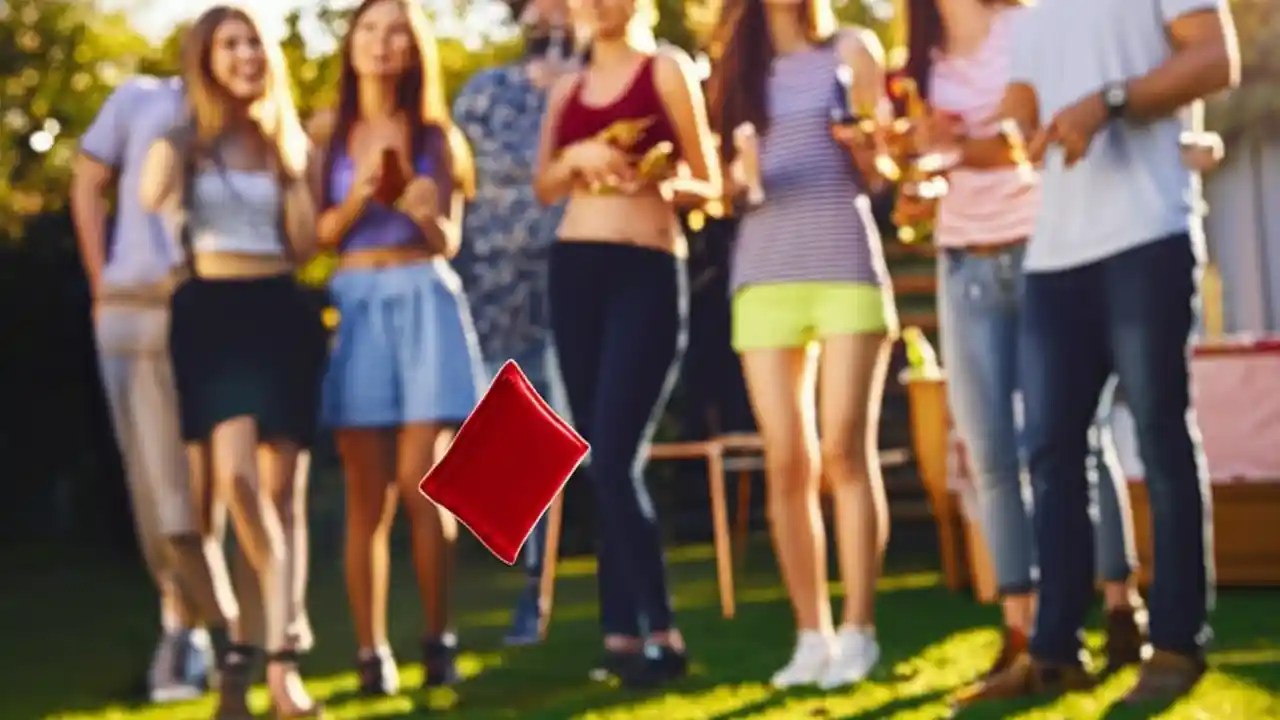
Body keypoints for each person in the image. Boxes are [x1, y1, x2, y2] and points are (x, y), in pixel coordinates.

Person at [955, 0, 1239, 706]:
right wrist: (1007, 129)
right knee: (1051, 451)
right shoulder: (1029, 13)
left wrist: (1109, 102)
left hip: (1148, 233)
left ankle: (1176, 644)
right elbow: (1019, 111)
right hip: (1054, 252)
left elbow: (1215, 58)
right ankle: (1055, 653)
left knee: (1159, 436)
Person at [899, 0, 1146, 681]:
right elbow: (926, 155)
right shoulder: (921, 56)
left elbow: (1018, 140)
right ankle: (1021, 629)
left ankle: (1122, 608)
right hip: (962, 259)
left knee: (1069, 437)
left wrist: (945, 149)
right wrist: (918, 175)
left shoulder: (1026, 29)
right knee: (990, 456)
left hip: (1042, 247)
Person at [138, 5, 326, 717]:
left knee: (283, 500)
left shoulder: (286, 144)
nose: (246, 55)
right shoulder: (181, 141)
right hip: (211, 316)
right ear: (207, 60)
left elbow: (306, 247)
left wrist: (298, 170)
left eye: (253, 42)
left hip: (278, 310)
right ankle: (244, 649)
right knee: (235, 488)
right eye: (230, 45)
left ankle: (278, 670)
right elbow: (148, 221)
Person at [709, 0, 898, 690]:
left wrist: (867, 152)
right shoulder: (732, 72)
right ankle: (810, 634)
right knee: (788, 460)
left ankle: (859, 630)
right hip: (762, 276)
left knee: (845, 450)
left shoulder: (853, 50)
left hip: (844, 263)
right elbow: (721, 193)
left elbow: (882, 177)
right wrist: (738, 180)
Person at [533, 0, 721, 688]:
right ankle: (620, 637)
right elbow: (544, 184)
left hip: (646, 268)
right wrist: (577, 155)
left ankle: (662, 632)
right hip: (576, 272)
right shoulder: (566, 90)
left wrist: (663, 179)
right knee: (600, 460)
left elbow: (713, 183)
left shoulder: (666, 70)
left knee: (614, 456)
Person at [308, 0, 483, 697]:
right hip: (356, 304)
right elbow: (316, 235)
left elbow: (450, 239)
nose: (383, 44)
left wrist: (420, 209)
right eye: (372, 31)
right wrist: (359, 203)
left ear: (415, 51)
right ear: (352, 44)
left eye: (398, 34)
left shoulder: (438, 135)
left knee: (422, 484)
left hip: (423, 296)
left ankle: (438, 638)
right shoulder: (326, 133)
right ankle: (369, 651)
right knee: (365, 496)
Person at [71, 70, 227, 708]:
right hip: (129, 312)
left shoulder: (250, 110)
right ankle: (185, 626)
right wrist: (100, 280)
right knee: (151, 490)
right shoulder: (139, 98)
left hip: (204, 311)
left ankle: (216, 635)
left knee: (198, 489)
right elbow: (86, 184)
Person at [451, 0, 578, 647]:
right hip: (490, 293)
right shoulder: (482, 95)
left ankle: (542, 592)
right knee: (501, 447)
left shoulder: (597, 86)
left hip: (571, 289)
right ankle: (516, 583)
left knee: (555, 439)